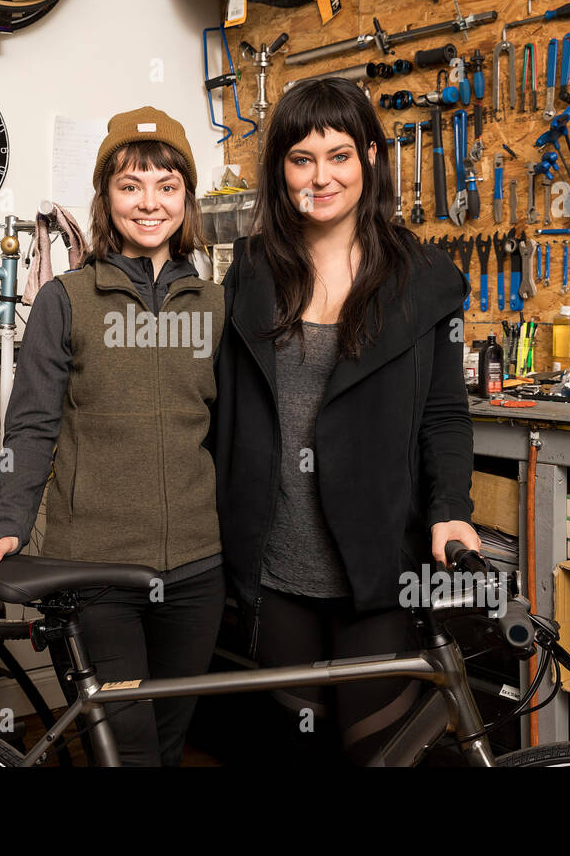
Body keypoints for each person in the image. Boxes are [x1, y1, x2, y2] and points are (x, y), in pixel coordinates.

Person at [212, 77, 482, 764]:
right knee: (296, 752)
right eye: (301, 158)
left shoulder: (425, 278)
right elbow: (216, 405)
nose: (320, 177)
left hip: (377, 566)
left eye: (338, 156)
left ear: (368, 157)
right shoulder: (249, 271)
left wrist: (450, 507)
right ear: (280, 169)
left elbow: (446, 412)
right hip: (275, 568)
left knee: (375, 753)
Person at [0, 107, 225, 766]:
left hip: (197, 569)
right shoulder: (68, 301)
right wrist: (6, 522)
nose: (149, 202)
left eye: (167, 185)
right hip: (98, 571)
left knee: (168, 742)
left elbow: (238, 431)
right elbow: (31, 423)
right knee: (126, 747)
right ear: (106, 197)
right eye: (130, 185)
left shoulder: (217, 306)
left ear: (185, 197)